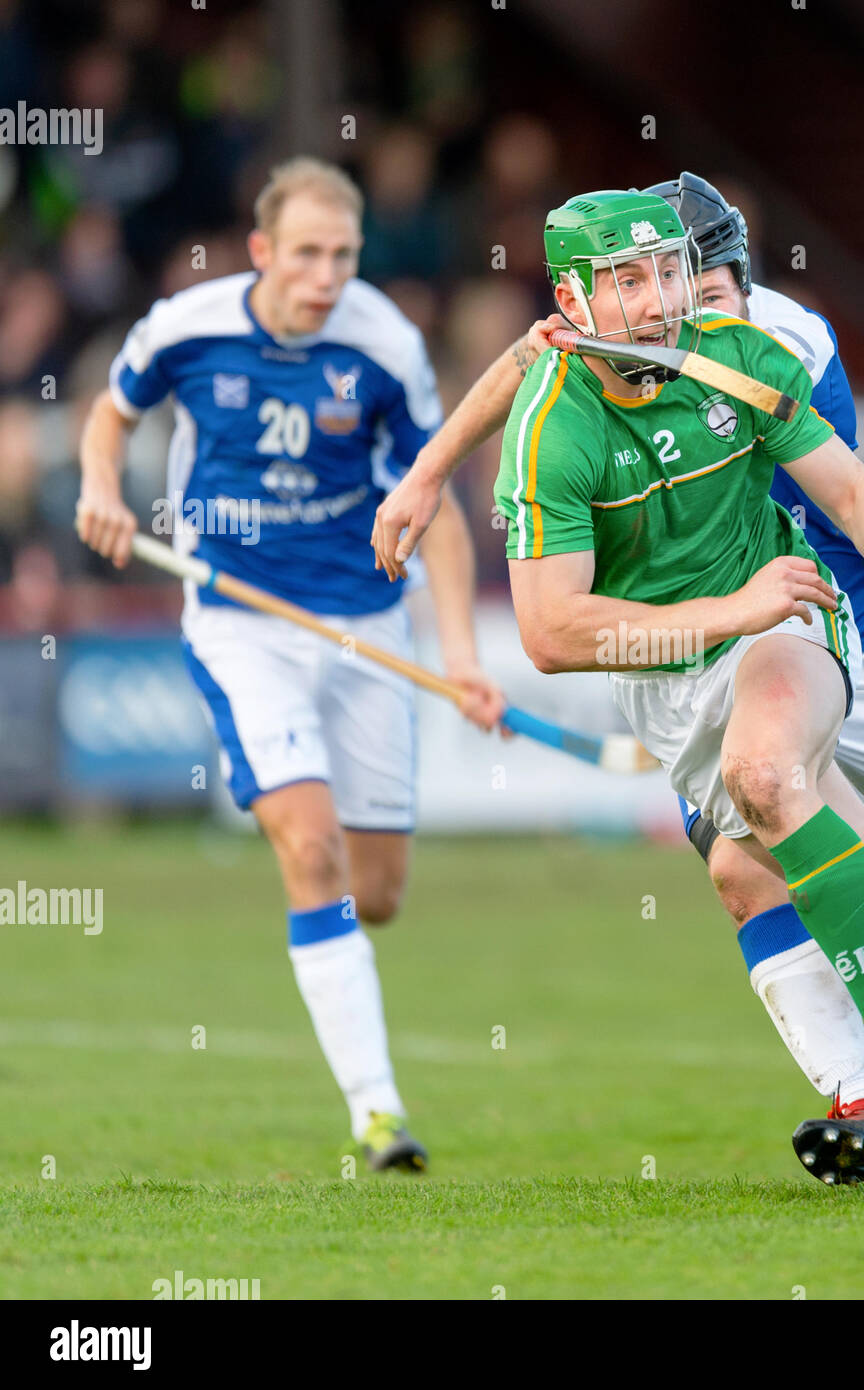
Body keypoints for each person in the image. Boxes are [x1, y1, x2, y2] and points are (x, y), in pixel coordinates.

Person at [371, 180, 864, 1190]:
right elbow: (553, 633)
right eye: (628, 280)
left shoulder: (744, 352)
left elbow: (853, 491)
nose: (660, 298)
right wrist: (431, 470)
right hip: (672, 669)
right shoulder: (547, 427)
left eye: (667, 271)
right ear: (573, 304)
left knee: (824, 795)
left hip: (799, 624)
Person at [76, 156, 505, 1171]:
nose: (326, 275)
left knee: (379, 891)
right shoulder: (189, 325)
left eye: (344, 255)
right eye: (306, 253)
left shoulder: (386, 344)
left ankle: (336, 958)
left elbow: (428, 499)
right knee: (311, 854)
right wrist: (102, 487)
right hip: (241, 622)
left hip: (364, 622)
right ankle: (377, 1114)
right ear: (263, 250)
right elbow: (111, 411)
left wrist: (461, 653)